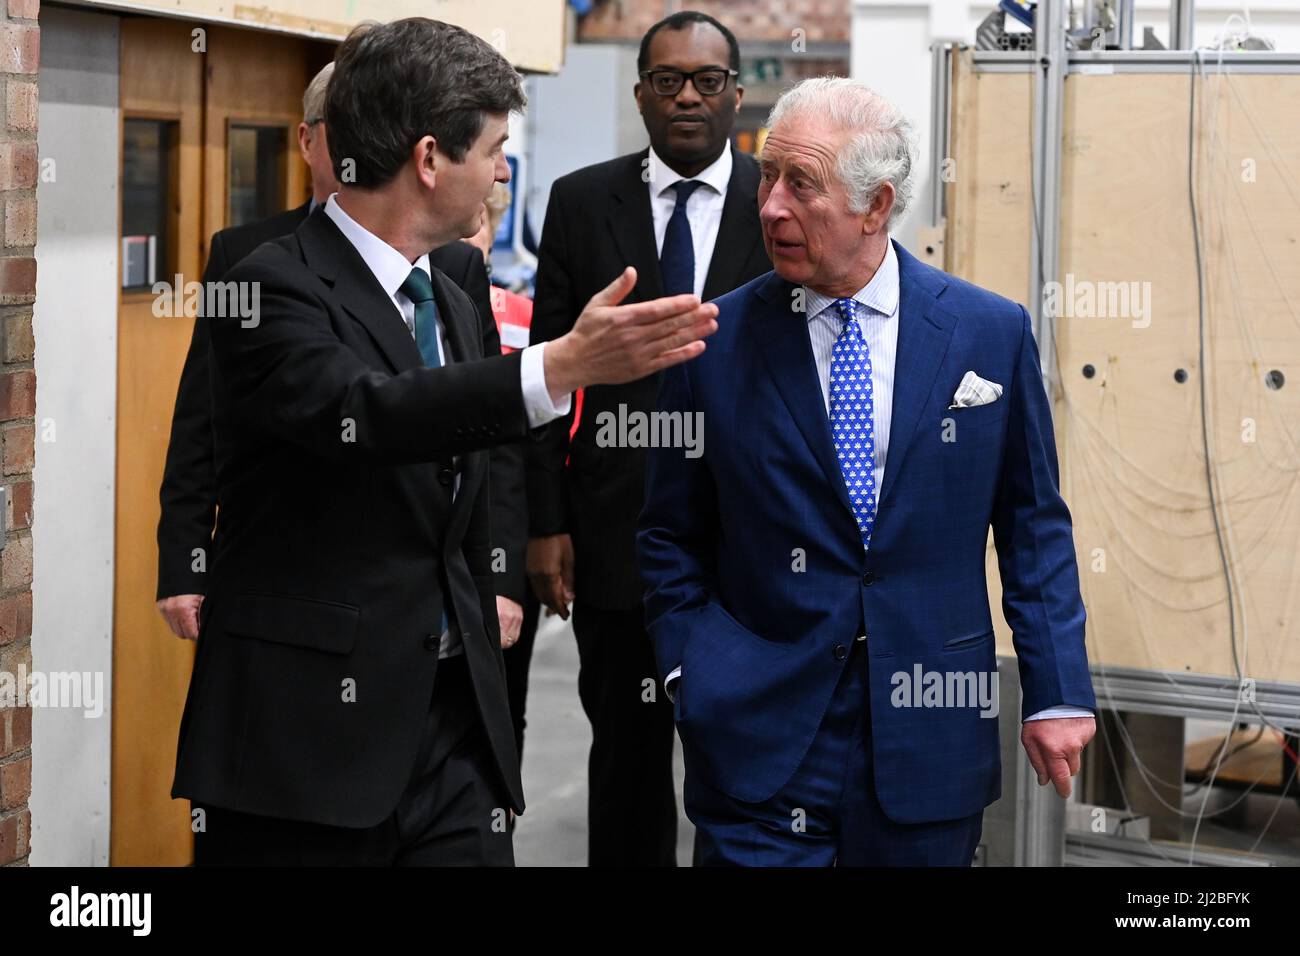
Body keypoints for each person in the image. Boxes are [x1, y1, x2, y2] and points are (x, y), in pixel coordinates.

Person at [171, 17, 718, 866]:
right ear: (430, 159)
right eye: (495, 149)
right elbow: (370, 412)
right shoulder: (267, 285)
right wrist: (558, 369)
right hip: (308, 745)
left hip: (452, 734)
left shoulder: (452, 294)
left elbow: (475, 456)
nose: (504, 171)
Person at [637, 77, 1097, 866]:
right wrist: (690, 673)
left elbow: (1032, 526)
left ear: (876, 206)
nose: (771, 205)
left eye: (801, 184)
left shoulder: (987, 333)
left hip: (928, 734)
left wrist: (1056, 688)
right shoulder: (713, 342)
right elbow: (669, 533)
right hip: (759, 740)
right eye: (768, 175)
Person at [157, 62, 531, 652]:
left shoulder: (454, 267)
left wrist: (500, 575)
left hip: (442, 611)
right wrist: (185, 555)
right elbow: (202, 414)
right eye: (345, 130)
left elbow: (488, 445)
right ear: (309, 139)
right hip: (315, 609)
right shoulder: (253, 261)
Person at [525, 10, 771, 867]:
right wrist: (546, 522)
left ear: (737, 93)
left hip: (756, 538)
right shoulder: (585, 201)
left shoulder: (779, 200)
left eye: (708, 80)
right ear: (640, 94)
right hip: (616, 532)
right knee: (625, 754)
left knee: (745, 760)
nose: (688, 98)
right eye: (668, 81)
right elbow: (546, 380)